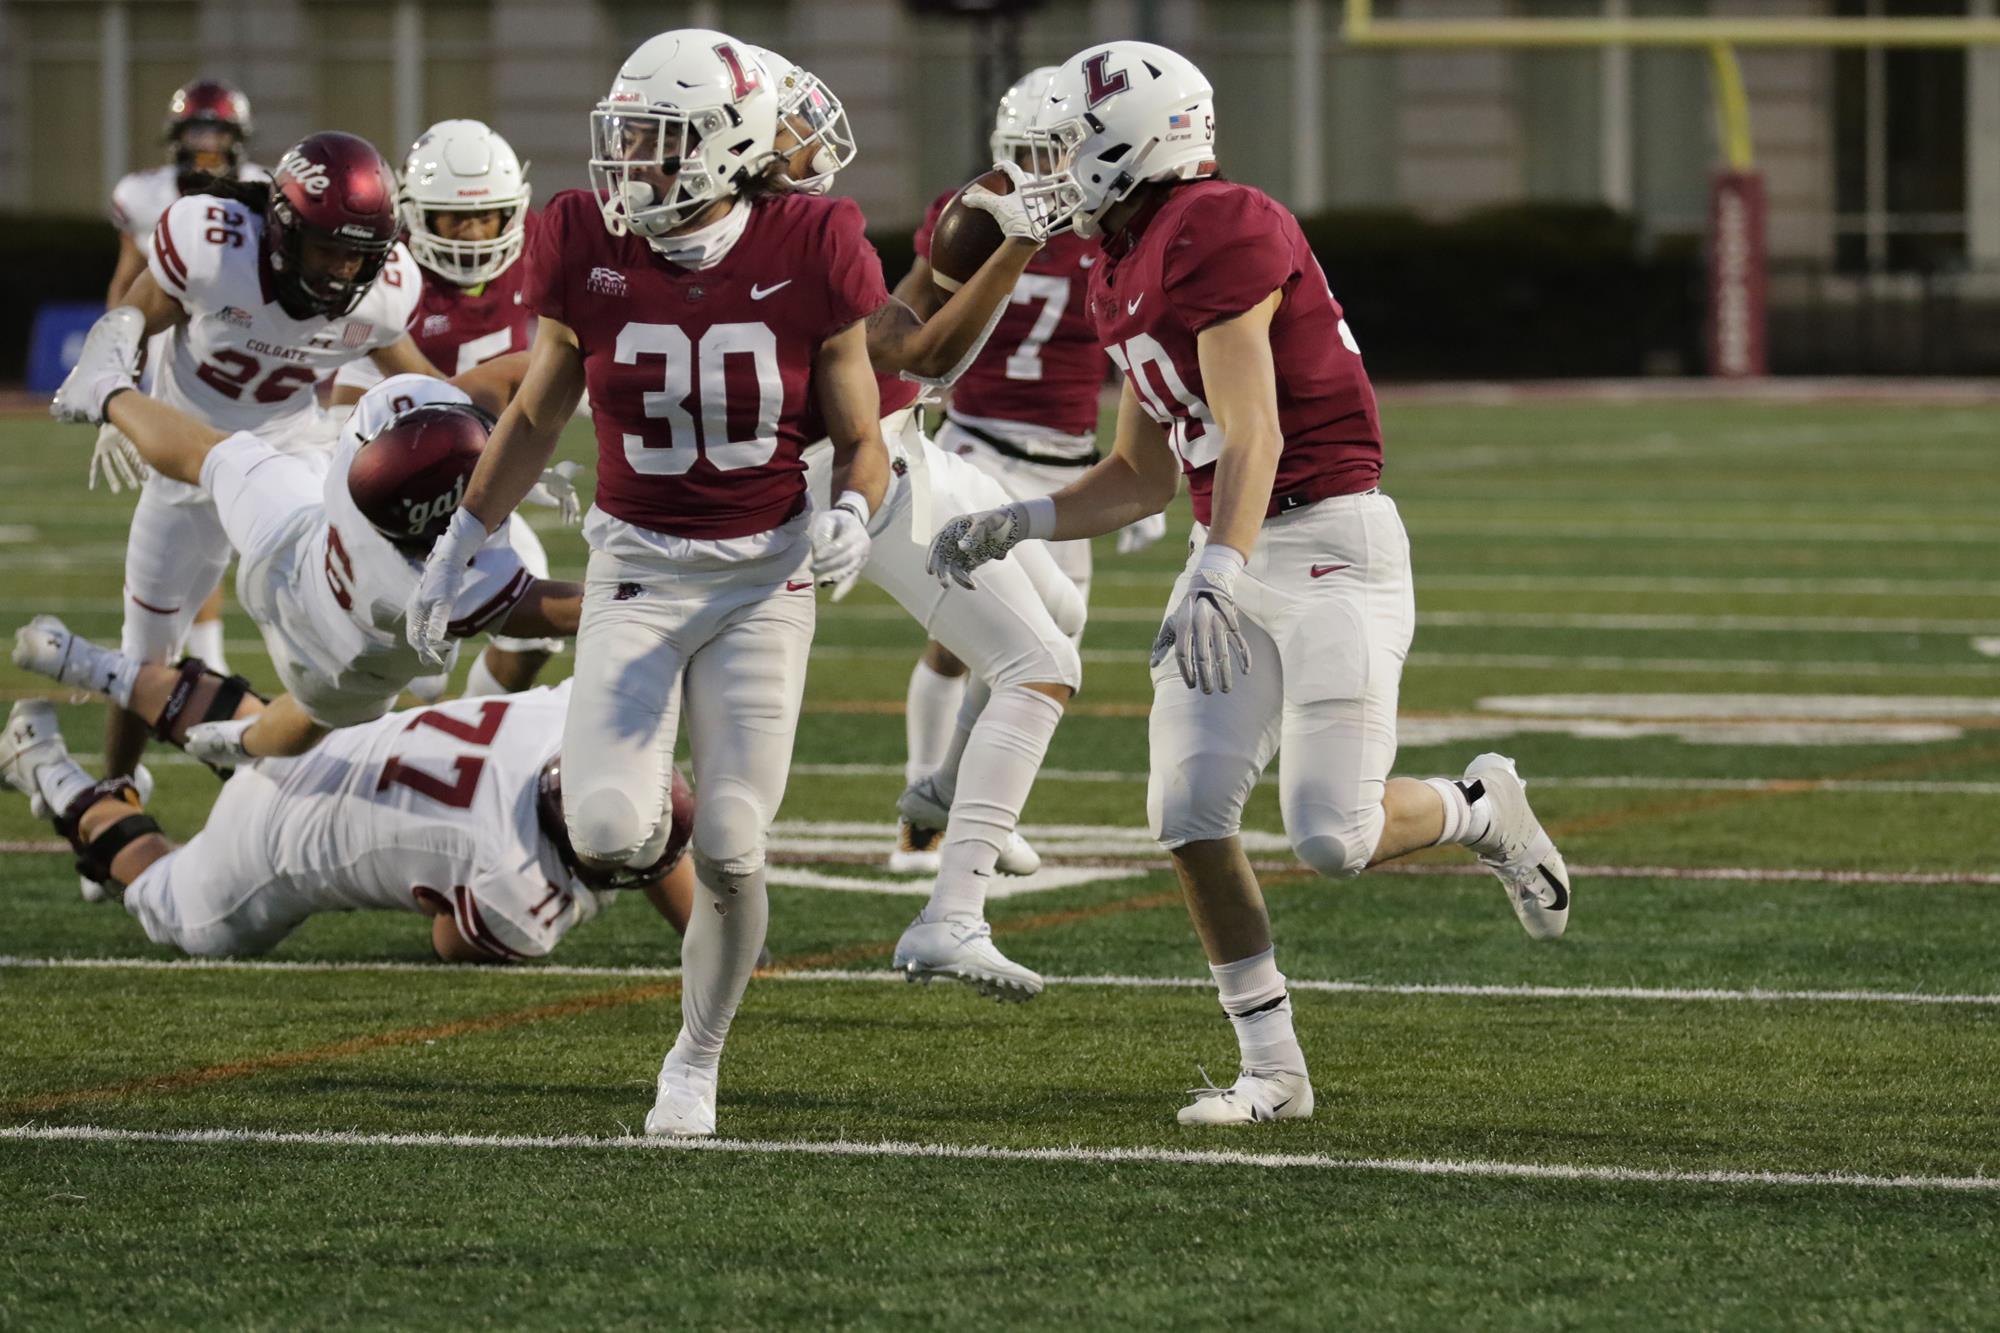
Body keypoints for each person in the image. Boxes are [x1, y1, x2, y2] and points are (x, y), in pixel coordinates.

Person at [929, 41, 1574, 1126]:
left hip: (1329, 545)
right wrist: (1017, 517)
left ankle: (1477, 807)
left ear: (1137, 141)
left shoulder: (1221, 222)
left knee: (1331, 837)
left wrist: (1218, 563)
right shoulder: (1114, 259)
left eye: (1069, 145)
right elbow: (1141, 473)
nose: (1049, 170)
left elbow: (1253, 429)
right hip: (1231, 548)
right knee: (1184, 812)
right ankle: (1274, 1070)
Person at [404, 30, 891, 1139]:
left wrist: (858, 506)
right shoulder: (579, 236)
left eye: (655, 141)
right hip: (635, 567)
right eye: (623, 136)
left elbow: (863, 435)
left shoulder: (814, 241)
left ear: (726, 148)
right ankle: (623, 749)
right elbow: (534, 409)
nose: (628, 161)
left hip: (763, 575)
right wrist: (460, 542)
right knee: (612, 833)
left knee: (728, 842)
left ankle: (694, 1060)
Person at [756, 46, 1085, 1001]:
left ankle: (949, 787)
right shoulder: (790, 244)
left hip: (907, 446)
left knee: (1059, 610)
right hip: (856, 467)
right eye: (786, 127)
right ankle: (951, 916)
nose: (813, 144)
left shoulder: (790, 231)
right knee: (1042, 667)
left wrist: (968, 252)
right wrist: (1017, 243)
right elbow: (929, 346)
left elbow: (902, 334)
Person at [59, 131, 448, 789]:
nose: (340, 271)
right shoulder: (216, 249)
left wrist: (487, 445)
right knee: (143, 654)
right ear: (283, 231)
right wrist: (116, 382)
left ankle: (329, 772)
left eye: (358, 256)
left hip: (285, 458)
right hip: (179, 461)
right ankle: (115, 790)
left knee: (320, 621)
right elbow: (135, 316)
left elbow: (429, 389)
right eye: (326, 248)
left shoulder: (384, 293)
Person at [891, 67, 1166, 874]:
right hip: (975, 446)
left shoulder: (1111, 230)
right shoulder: (974, 219)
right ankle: (925, 811)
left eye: (1059, 154)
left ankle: (957, 793)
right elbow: (910, 318)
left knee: (1056, 636)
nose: (1045, 175)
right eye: (1029, 155)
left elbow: (1134, 345)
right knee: (965, 642)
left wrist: (1138, 460)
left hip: (1063, 467)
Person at [38, 371, 580, 765]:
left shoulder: (379, 424)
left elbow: (491, 386)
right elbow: (576, 610)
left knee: (207, 455)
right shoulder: (430, 588)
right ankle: (229, 737)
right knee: (305, 725)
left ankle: (107, 391)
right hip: (339, 647)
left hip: (294, 540)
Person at [0, 684, 694, 962]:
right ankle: (46, 767)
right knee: (166, 894)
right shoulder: (519, 886)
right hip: (273, 842)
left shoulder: (567, 711)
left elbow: (636, 824)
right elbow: (451, 940)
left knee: (285, 706)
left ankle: (114, 667)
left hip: (308, 738)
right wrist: (592, 888)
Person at [330, 119, 571, 699]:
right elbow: (347, 405)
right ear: (415, 214)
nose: (470, 232)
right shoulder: (385, 278)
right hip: (400, 481)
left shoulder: (539, 249)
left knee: (532, 633)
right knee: (419, 667)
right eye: (452, 217)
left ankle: (466, 725)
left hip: (479, 464)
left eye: (485, 215)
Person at [100, 80, 266, 737]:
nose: (205, 148)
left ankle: (206, 653)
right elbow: (126, 278)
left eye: (216, 135)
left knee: (219, 502)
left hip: (228, 352)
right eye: (194, 135)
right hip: (168, 353)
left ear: (236, 141)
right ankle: (177, 657)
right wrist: (111, 368)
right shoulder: (143, 195)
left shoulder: (260, 189)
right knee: (184, 505)